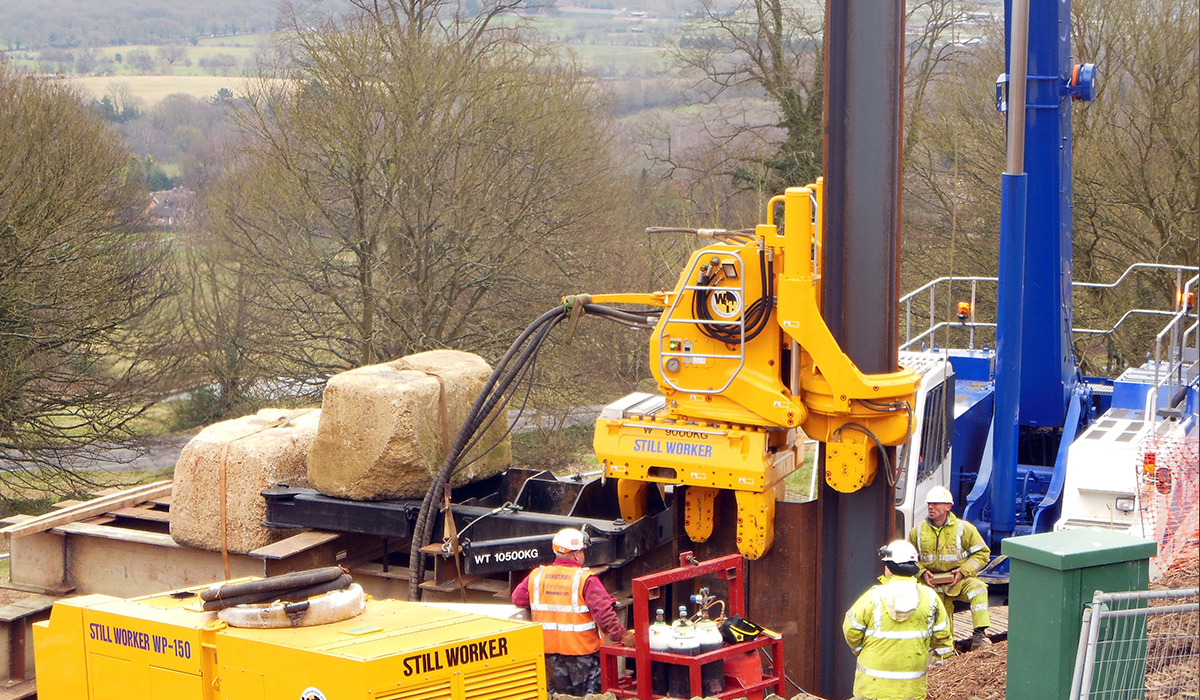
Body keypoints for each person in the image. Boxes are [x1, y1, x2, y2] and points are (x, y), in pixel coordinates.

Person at [513, 528, 635, 696]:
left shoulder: (537, 575)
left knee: (559, 697)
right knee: (590, 697)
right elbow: (604, 614)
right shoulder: (585, 578)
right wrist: (621, 635)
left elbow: (518, 599)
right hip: (583, 655)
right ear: (577, 555)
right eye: (583, 552)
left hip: (550, 654)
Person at [843, 540, 955, 700]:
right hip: (911, 691)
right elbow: (943, 639)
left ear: (890, 567)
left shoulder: (873, 597)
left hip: (871, 690)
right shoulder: (930, 598)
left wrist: (861, 649)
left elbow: (851, 630)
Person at [908, 485, 993, 650]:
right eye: (929, 504)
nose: (931, 507)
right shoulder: (917, 531)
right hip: (930, 586)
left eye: (936, 504)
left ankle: (980, 634)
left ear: (948, 507)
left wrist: (962, 572)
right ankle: (945, 657)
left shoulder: (964, 529)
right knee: (942, 633)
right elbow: (909, 560)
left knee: (978, 589)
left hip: (958, 582)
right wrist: (923, 573)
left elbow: (982, 554)